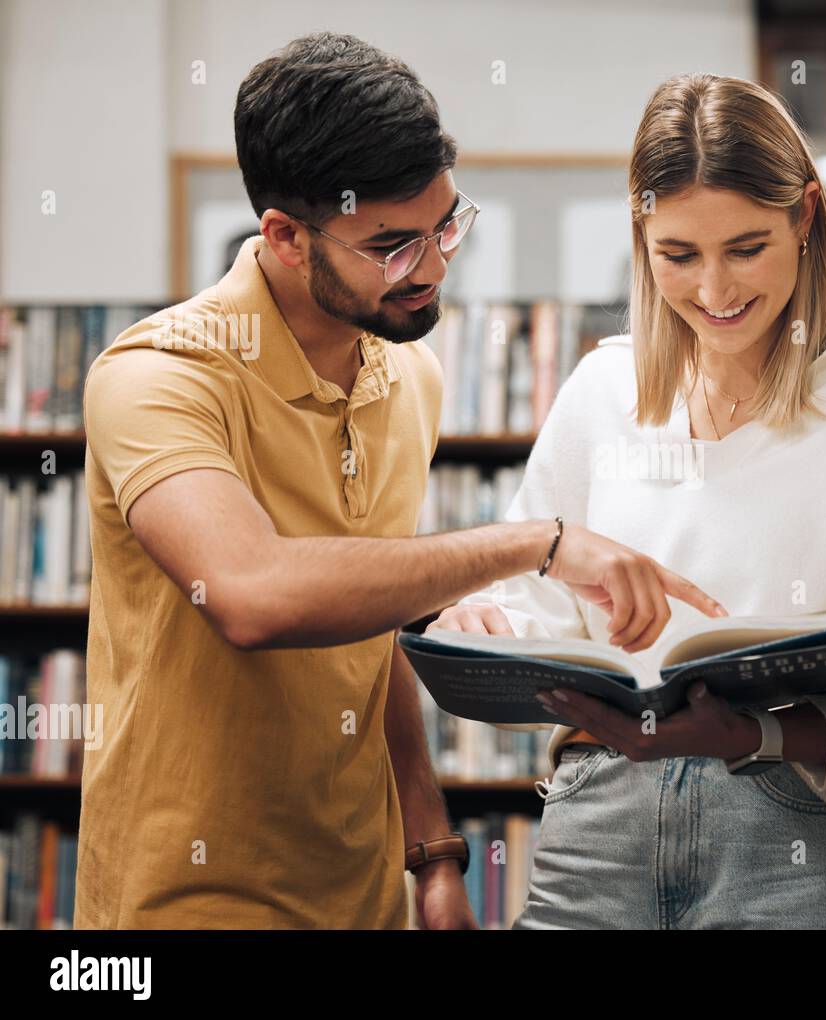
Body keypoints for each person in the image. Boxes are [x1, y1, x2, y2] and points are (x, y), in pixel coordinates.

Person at [74, 33, 722, 931]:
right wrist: (540, 544)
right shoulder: (158, 377)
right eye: (391, 246)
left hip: (366, 891)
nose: (434, 267)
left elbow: (368, 628)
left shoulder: (406, 375)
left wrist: (432, 852)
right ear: (286, 238)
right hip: (191, 901)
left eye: (447, 225)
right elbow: (255, 596)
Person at [429, 72, 826, 930]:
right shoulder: (602, 386)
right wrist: (486, 624)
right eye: (677, 255)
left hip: (791, 832)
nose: (714, 292)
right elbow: (529, 609)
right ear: (642, 237)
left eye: (746, 248)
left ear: (803, 216)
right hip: (595, 820)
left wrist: (752, 735)